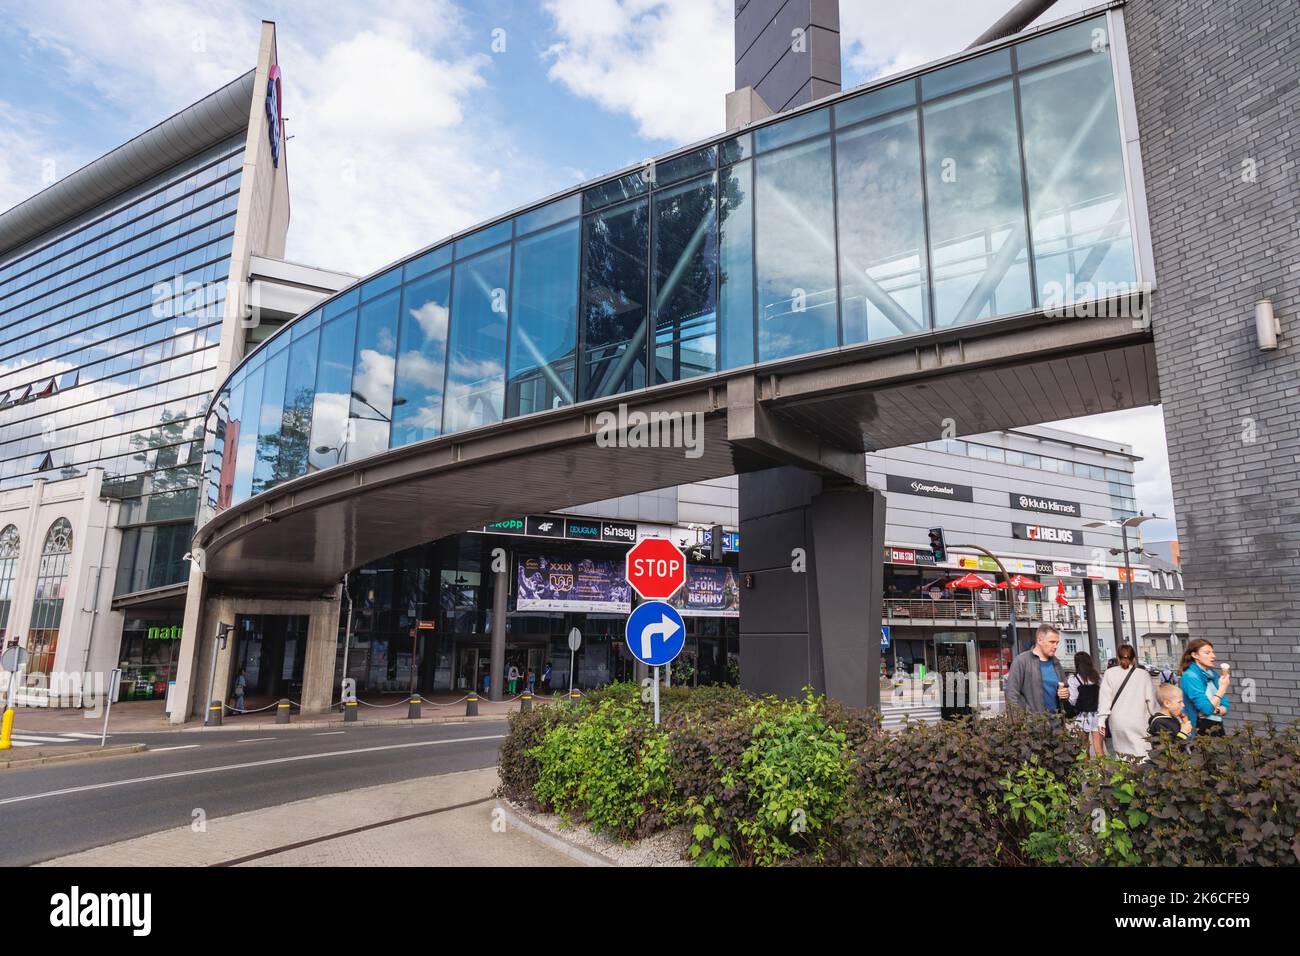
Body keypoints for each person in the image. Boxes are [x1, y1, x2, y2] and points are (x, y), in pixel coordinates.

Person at [1098, 645, 1159, 757]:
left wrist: (1101, 720)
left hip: (1117, 722)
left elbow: (1104, 699)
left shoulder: (1109, 673)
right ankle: (1141, 773)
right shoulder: (1143, 674)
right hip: (1139, 720)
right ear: (1134, 659)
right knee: (1142, 753)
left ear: (1118, 658)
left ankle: (1125, 773)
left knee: (1122, 754)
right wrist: (1156, 716)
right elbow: (1151, 702)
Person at [1004, 624, 1069, 713]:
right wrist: (1018, 723)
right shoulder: (1021, 661)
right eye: (1052, 642)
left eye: (1057, 643)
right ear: (1039, 640)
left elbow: (1065, 689)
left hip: (1057, 722)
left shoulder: (1056, 663)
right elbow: (1011, 695)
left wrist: (1066, 693)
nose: (1055, 646)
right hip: (1033, 724)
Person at [1179, 638, 1229, 737]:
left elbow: (1226, 707)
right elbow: (1206, 709)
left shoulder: (1213, 674)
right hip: (1200, 729)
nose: (1213, 656)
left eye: (1212, 652)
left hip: (1217, 725)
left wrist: (1215, 710)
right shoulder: (1190, 676)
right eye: (1207, 653)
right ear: (1195, 655)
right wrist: (1222, 689)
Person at [1067, 651, 1103, 755]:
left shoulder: (1074, 679)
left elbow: (1072, 700)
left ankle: (1087, 771)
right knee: (1099, 748)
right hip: (1098, 715)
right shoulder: (1098, 677)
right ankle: (1102, 771)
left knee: (1083, 748)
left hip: (1082, 716)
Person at [1148, 683, 1193, 748]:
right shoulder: (1159, 723)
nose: (1183, 705)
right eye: (1179, 702)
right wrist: (1183, 733)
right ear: (1167, 703)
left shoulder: (1172, 718)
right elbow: (1170, 749)